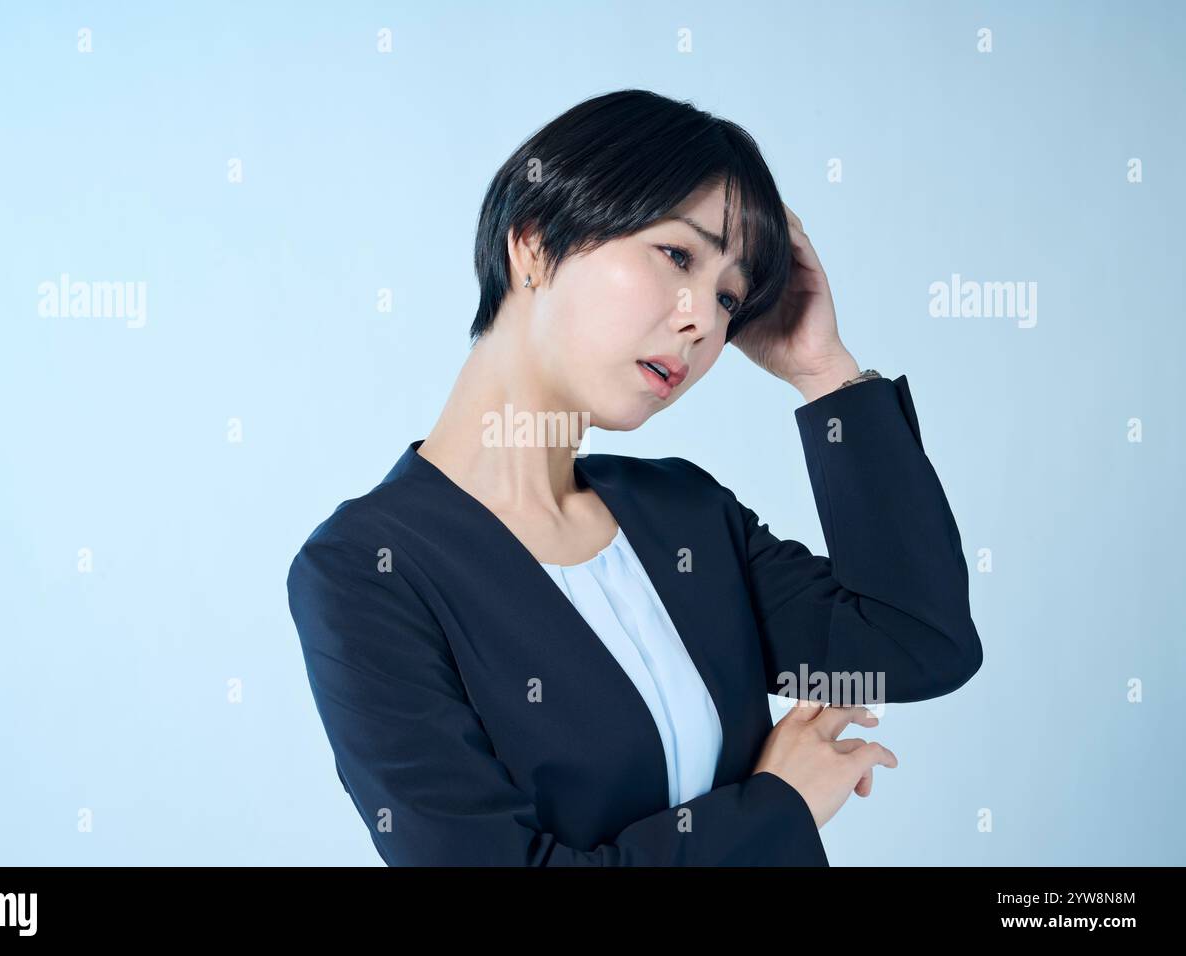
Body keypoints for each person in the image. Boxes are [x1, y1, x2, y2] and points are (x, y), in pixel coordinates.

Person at [287, 89, 983, 866]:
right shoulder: (367, 571)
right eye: (678, 256)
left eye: (730, 297)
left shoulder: (685, 515)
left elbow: (920, 641)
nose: (706, 323)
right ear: (535, 243)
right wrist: (774, 809)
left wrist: (824, 371)